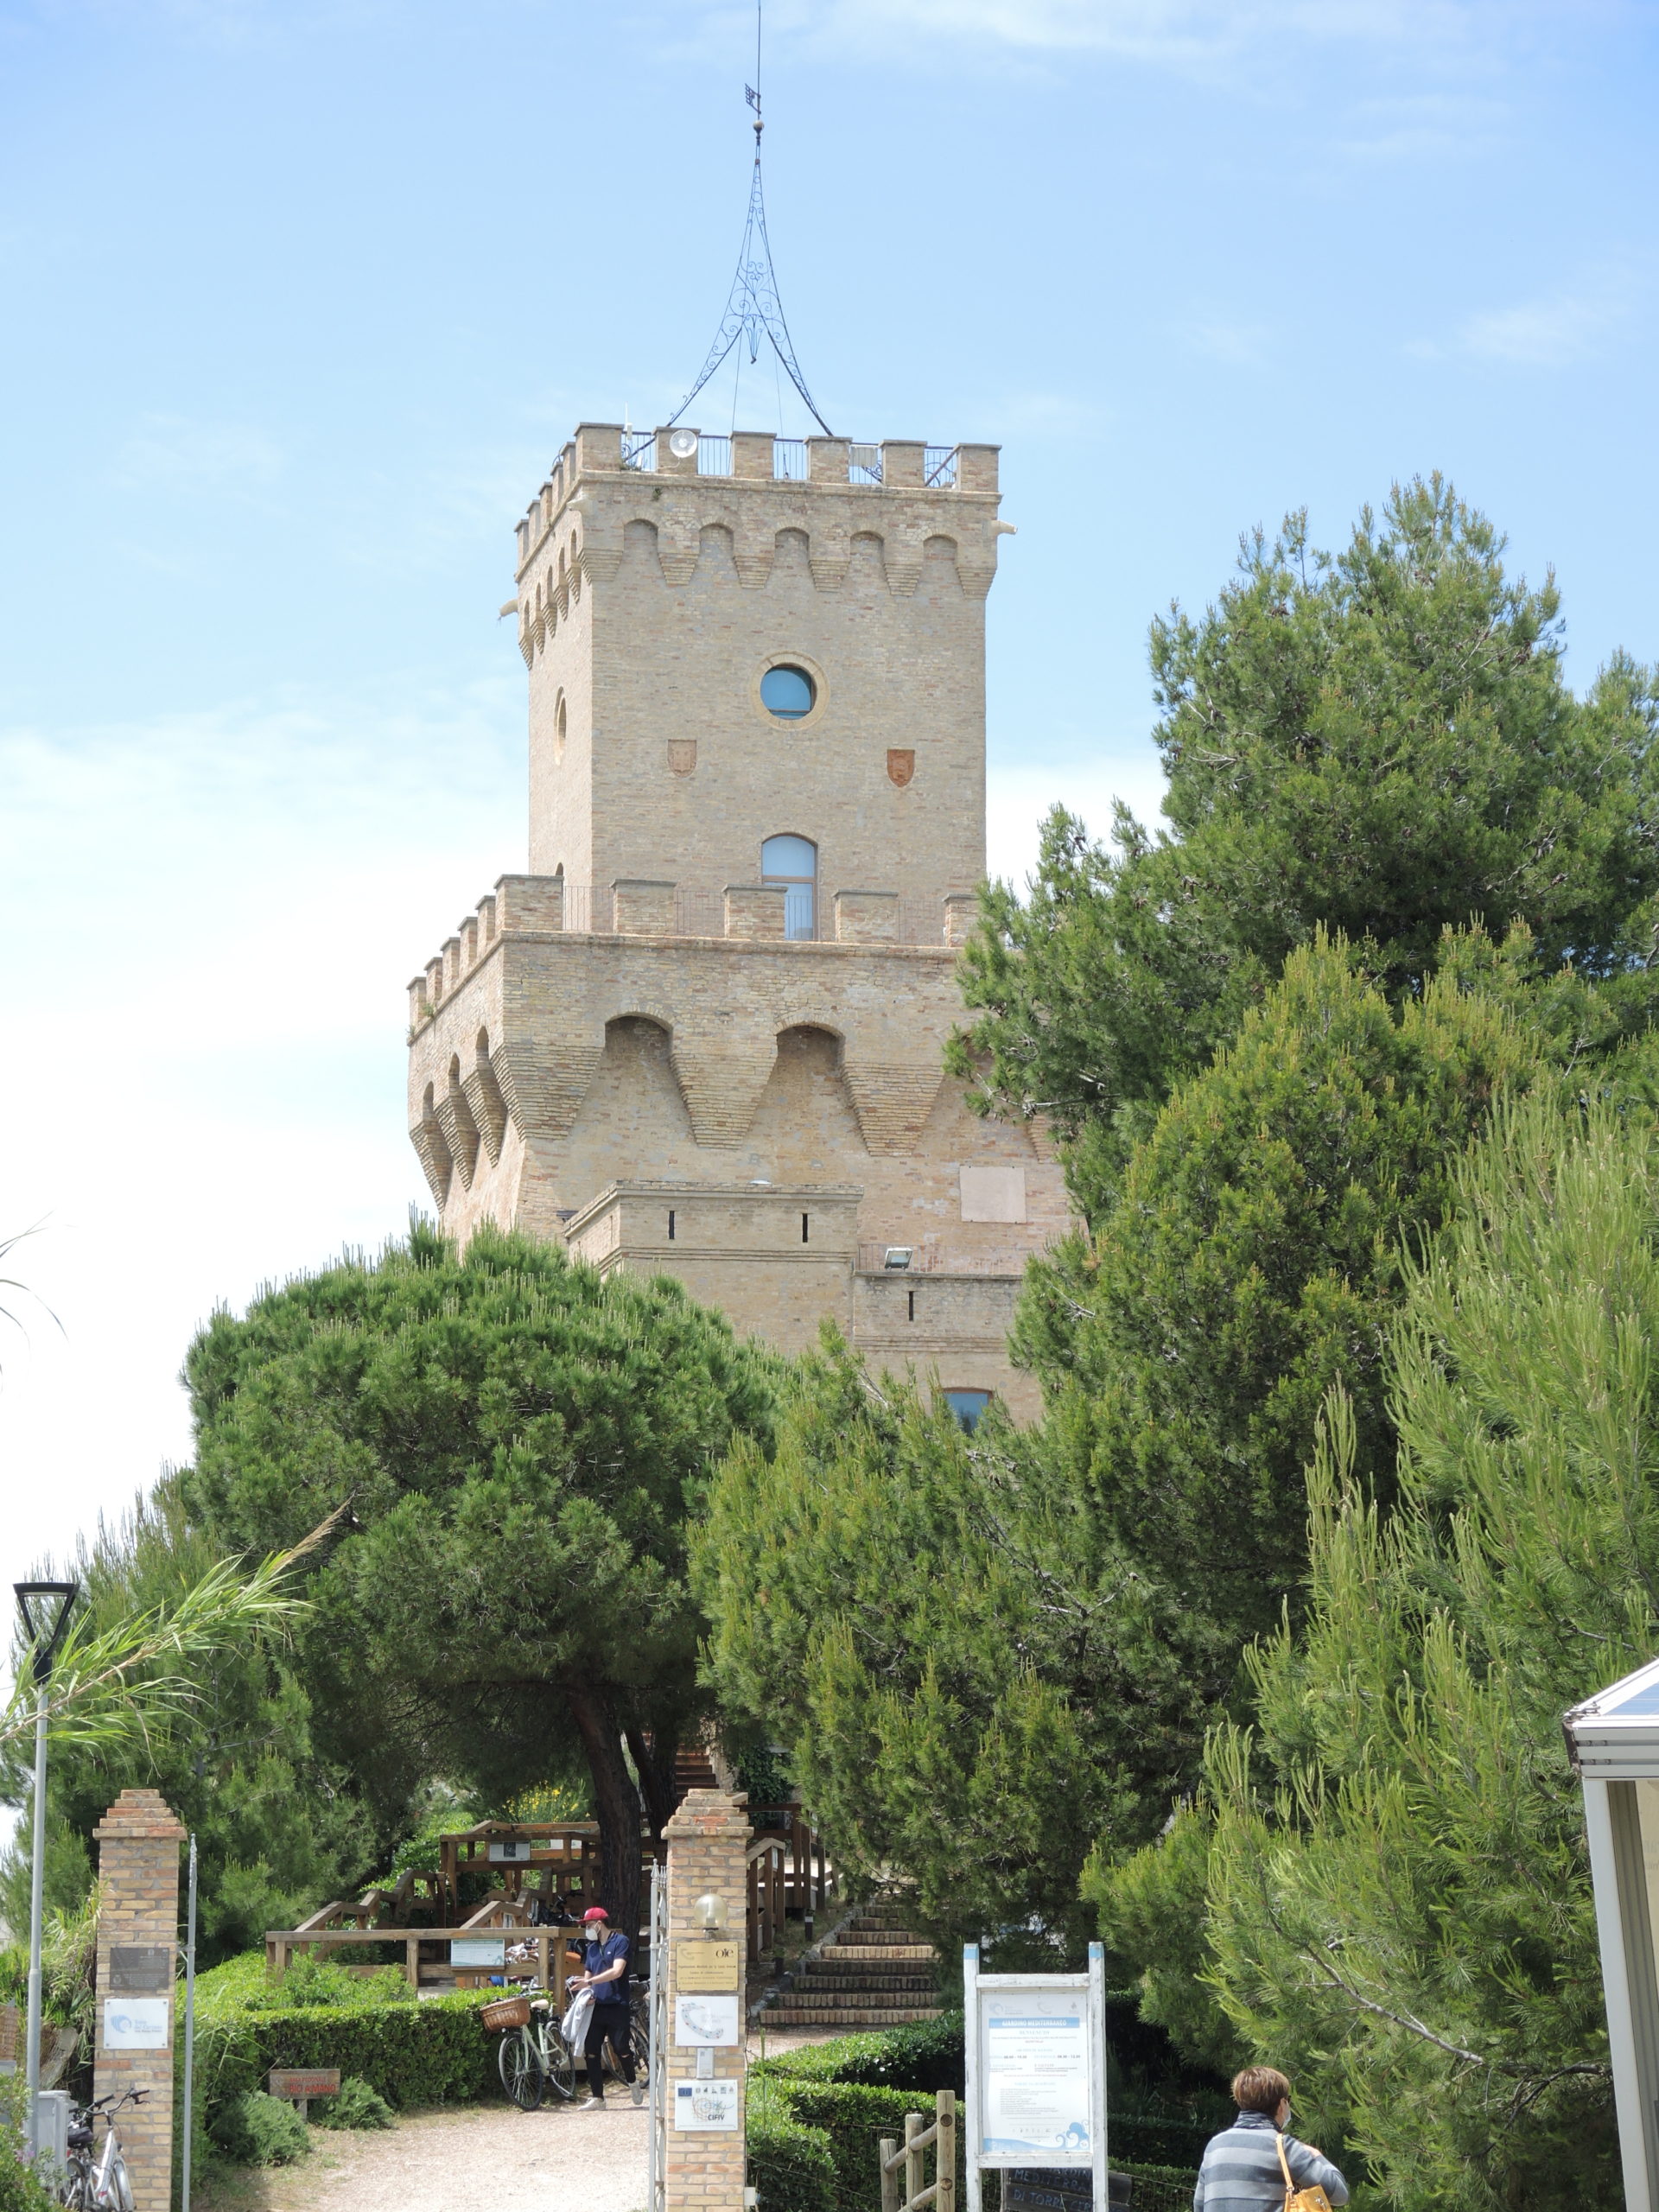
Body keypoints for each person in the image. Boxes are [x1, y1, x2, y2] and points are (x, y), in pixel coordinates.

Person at [1192, 2066, 1350, 2210]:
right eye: (1288, 2100)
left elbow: (1199, 2205)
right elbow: (1340, 2194)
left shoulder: (1215, 2146)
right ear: (1282, 2104)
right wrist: (1316, 2155)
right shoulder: (1284, 2146)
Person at [570, 1904, 644, 2111]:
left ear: (599, 1924)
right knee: (591, 2050)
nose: (586, 1928)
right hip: (596, 2006)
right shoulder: (591, 1948)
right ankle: (598, 2097)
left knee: (621, 2047)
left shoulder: (620, 1941)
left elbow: (617, 1971)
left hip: (617, 2004)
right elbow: (587, 1976)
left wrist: (590, 1982)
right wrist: (584, 1990)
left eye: (588, 1925)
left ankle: (632, 2082)